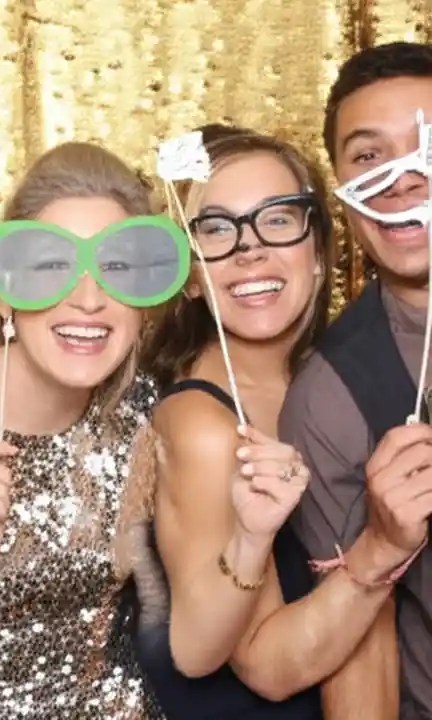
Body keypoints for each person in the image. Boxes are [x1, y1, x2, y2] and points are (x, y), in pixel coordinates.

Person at [0, 141, 180, 719]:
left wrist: (245, 542)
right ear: (5, 293)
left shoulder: (141, 412)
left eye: (115, 270)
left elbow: (169, 634)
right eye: (54, 268)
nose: (89, 300)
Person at [134, 125, 377, 719]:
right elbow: (262, 668)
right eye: (215, 229)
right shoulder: (202, 424)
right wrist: (387, 545)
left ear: (319, 249)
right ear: (188, 275)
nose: (249, 249)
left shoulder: (342, 384)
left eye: (277, 218)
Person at [278, 41, 432, 720]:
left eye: (425, 143)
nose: (401, 178)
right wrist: (384, 541)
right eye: (369, 157)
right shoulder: (330, 392)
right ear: (341, 197)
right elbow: (357, 661)